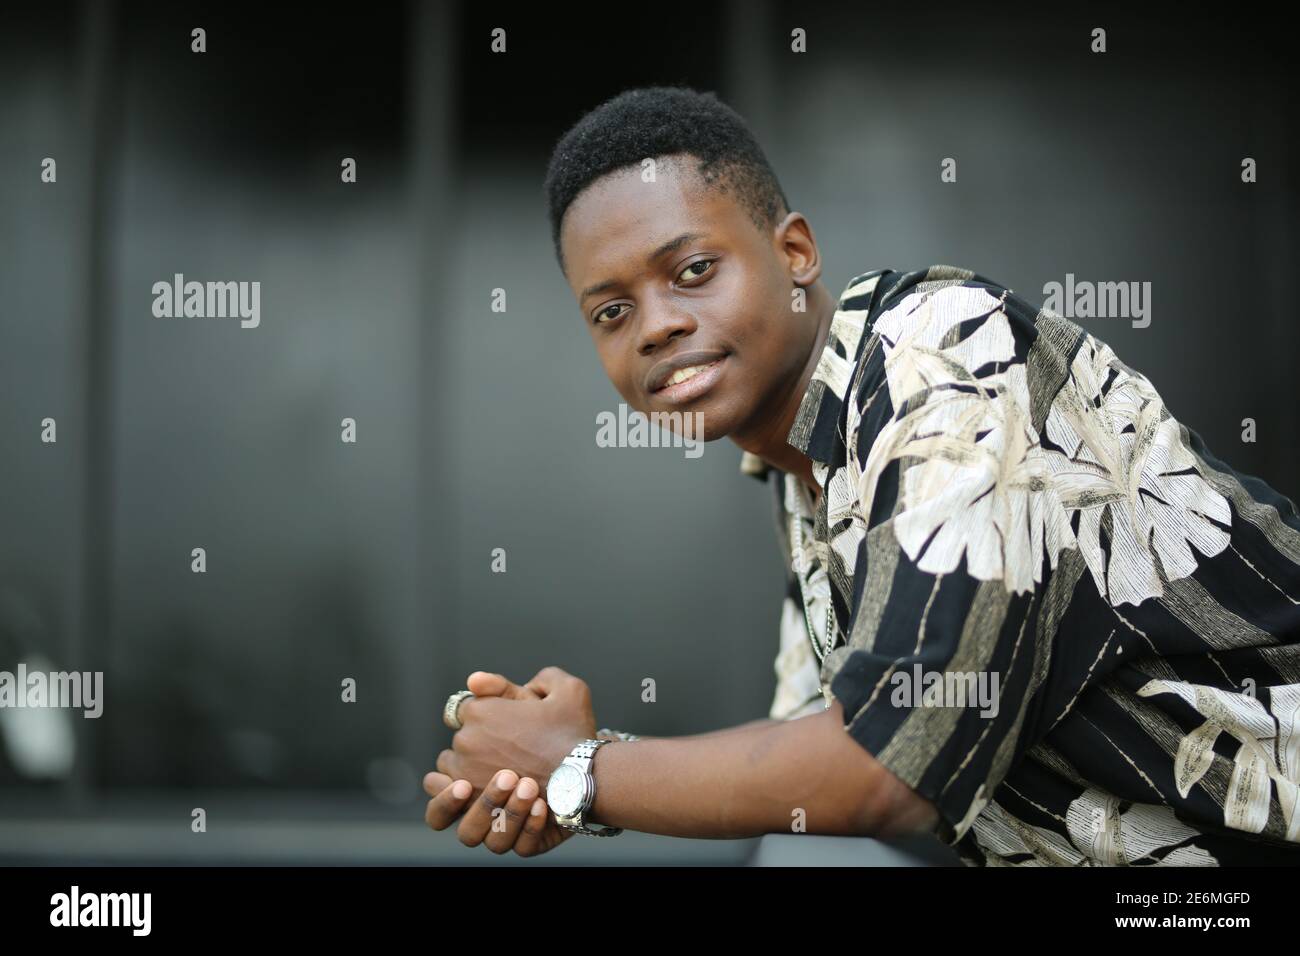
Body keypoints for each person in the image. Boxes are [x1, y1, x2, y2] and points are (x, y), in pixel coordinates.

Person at [423, 86, 1300, 865]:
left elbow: (888, 770)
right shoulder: (801, 468)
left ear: (795, 252)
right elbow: (805, 756)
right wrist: (563, 767)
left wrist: (579, 770)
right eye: (611, 311)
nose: (654, 326)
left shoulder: (941, 357)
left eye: (693, 271)